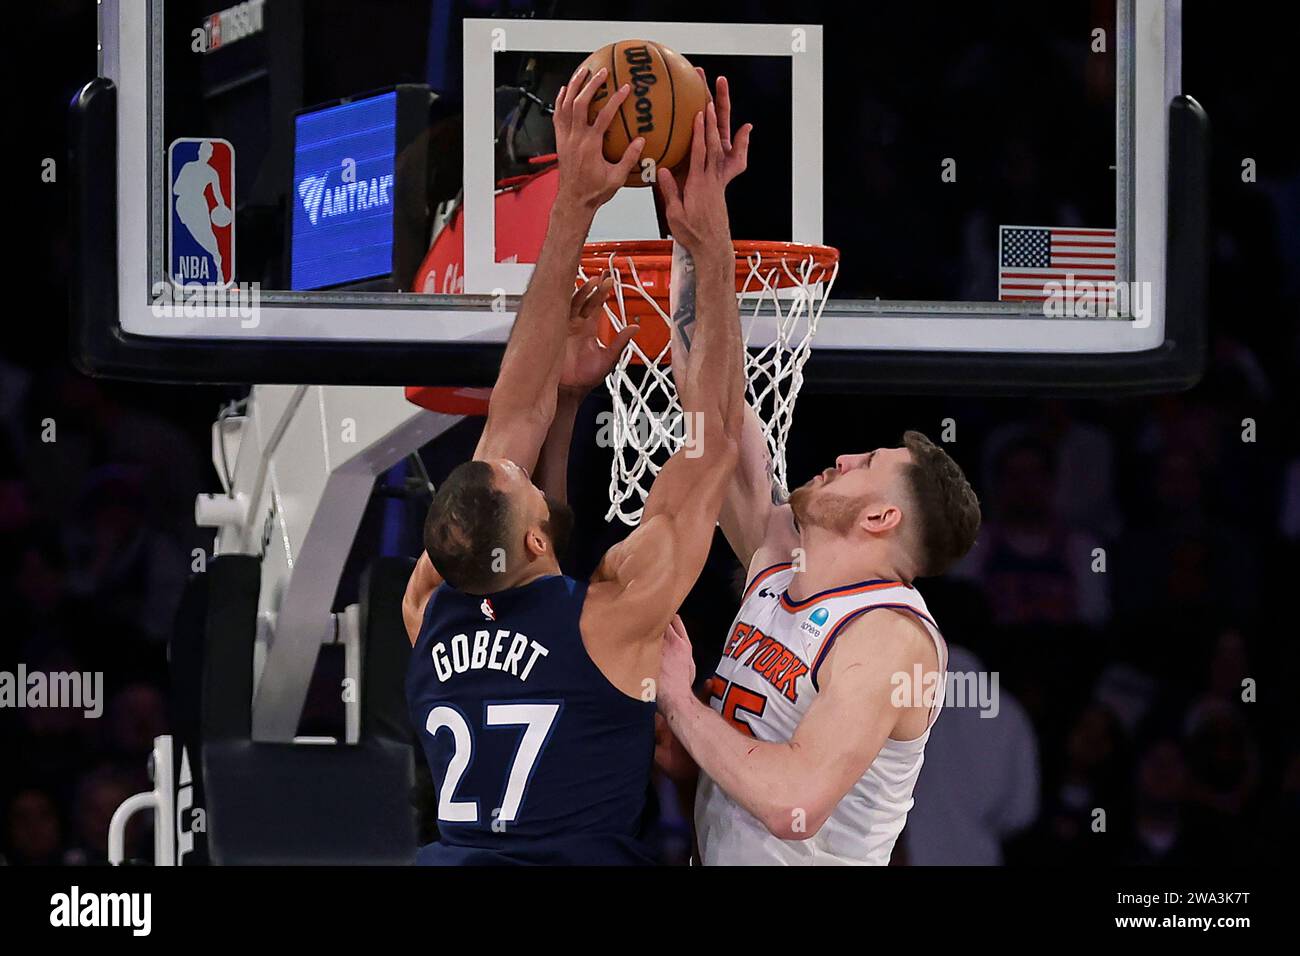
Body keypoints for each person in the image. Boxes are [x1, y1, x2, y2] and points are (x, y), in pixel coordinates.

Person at [402, 65, 747, 864]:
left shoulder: (429, 610)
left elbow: (514, 419)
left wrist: (576, 206)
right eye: (519, 483)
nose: (512, 461)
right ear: (530, 542)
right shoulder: (611, 616)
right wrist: (705, 239)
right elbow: (713, 445)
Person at [653, 75, 982, 865]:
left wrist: (677, 698)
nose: (842, 458)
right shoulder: (780, 564)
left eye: (866, 464)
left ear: (882, 520)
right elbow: (720, 417)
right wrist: (704, 233)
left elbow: (796, 805)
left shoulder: (888, 640)